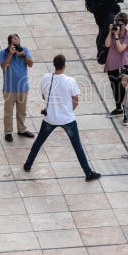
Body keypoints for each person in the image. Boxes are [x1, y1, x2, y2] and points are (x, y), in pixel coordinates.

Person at [23, 54, 101, 182]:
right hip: (67, 119)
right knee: (77, 146)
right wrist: (68, 110)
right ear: (64, 65)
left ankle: (28, 164)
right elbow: (75, 101)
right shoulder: (71, 81)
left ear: (54, 64)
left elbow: (44, 97)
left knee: (39, 142)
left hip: (50, 118)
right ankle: (88, 172)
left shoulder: (45, 78)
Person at [0, 33, 34, 143]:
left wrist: (23, 55)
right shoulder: (3, 53)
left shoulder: (24, 50)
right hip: (9, 89)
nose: (15, 40)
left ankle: (21, 130)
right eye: (13, 39)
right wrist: (10, 54)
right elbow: (3, 67)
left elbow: (31, 64)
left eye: (17, 38)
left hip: (23, 88)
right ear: (9, 43)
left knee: (22, 111)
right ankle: (8, 132)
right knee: (8, 112)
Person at [104, 12, 128, 120]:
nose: (119, 27)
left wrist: (116, 36)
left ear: (125, 25)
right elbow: (107, 44)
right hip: (111, 64)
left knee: (122, 89)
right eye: (117, 24)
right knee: (114, 88)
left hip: (122, 65)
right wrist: (110, 32)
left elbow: (120, 49)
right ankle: (118, 108)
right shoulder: (113, 32)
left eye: (121, 25)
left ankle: (126, 113)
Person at [92, 0, 123, 65]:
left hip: (100, 15)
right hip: (106, 16)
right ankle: (102, 56)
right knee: (105, 36)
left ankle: (100, 53)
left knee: (101, 33)